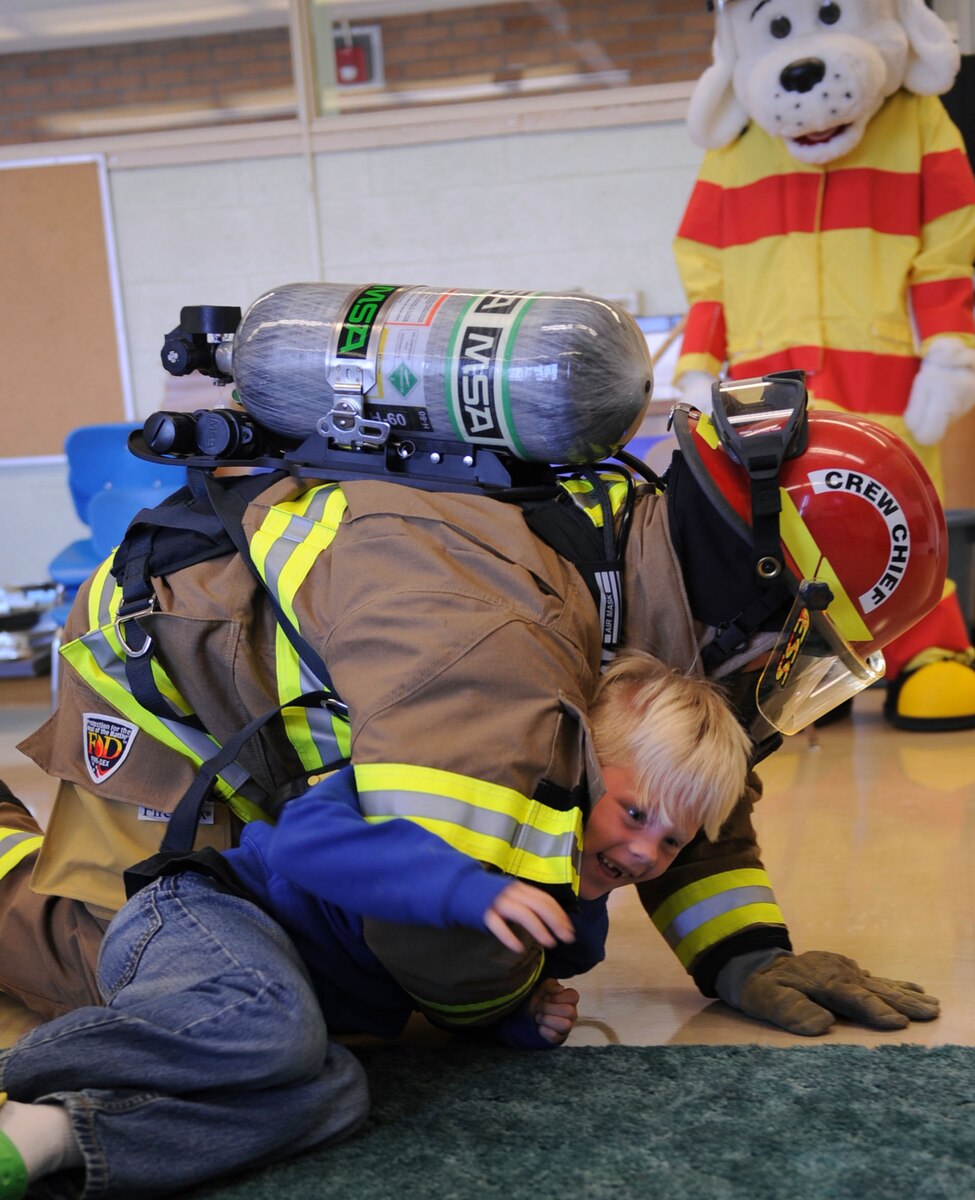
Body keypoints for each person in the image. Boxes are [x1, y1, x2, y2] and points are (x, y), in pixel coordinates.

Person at [0, 374, 949, 1038]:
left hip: (303, 730)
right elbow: (444, 943)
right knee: (165, 980)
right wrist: (502, 1015)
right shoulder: (497, 631)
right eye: (801, 650)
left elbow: (665, 792)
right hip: (170, 696)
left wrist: (741, 951)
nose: (782, 684)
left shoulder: (633, 579)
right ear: (762, 592)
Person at [0, 653, 752, 1200]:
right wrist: (462, 889)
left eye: (673, 841)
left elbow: (458, 988)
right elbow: (303, 844)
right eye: (635, 813)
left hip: (291, 1017)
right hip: (199, 914)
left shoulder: (568, 899)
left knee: (333, 1095)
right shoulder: (445, 783)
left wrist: (519, 1019)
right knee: (273, 1025)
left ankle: (54, 1135)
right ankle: (16, 1073)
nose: (645, 852)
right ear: (583, 768)